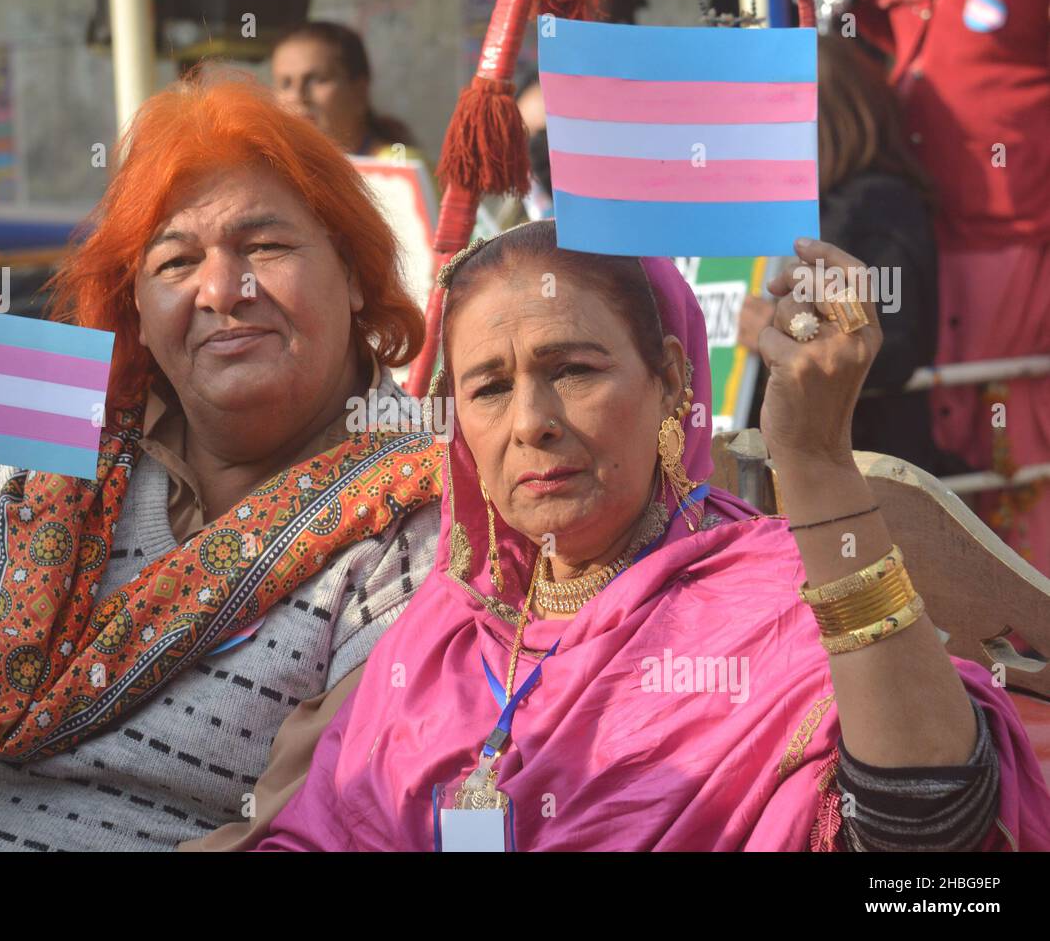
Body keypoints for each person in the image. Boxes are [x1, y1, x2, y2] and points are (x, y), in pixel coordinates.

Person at [0, 72, 445, 851]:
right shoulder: (48, 417)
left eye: (266, 245)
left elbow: (323, 828)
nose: (222, 291)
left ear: (359, 275)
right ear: (133, 303)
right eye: (174, 262)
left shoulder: (424, 507)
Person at [257, 220, 1050, 851]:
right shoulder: (440, 634)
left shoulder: (778, 597)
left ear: (671, 376)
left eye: (572, 369)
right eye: (490, 387)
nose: (531, 423)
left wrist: (814, 460)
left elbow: (928, 835)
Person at [851, 0, 1050, 572]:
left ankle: (1027, 603)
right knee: (951, 410)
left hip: (1010, 234)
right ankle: (980, 598)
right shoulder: (884, 1)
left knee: (1008, 417)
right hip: (930, 234)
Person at [738, 34, 963, 478]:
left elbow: (897, 346)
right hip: (804, 465)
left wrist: (782, 330)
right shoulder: (788, 207)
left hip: (868, 470)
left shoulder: (880, 202)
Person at [270, 21, 420, 159]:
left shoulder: (397, 166)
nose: (297, 96)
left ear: (359, 92)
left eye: (316, 80)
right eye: (285, 83)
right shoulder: (275, 173)